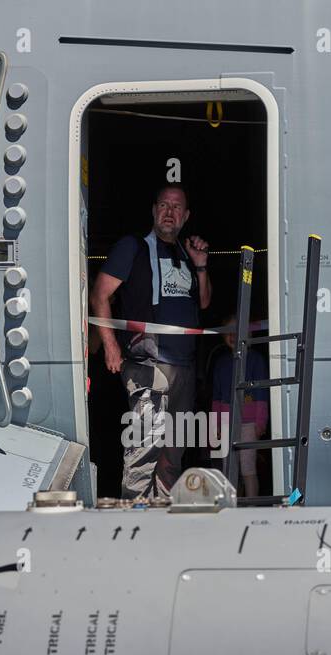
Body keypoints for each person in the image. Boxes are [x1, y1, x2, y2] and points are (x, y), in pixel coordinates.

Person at [90, 185, 211, 498]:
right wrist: (111, 345)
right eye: (164, 205)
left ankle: (162, 520)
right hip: (148, 364)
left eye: (176, 207)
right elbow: (100, 294)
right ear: (154, 209)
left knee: (173, 453)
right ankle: (134, 518)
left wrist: (200, 265)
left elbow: (205, 302)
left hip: (183, 369)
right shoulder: (134, 247)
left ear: (185, 216)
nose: (169, 212)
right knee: (145, 446)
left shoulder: (186, 254)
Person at [210, 330, 268, 498]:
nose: (233, 335)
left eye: (238, 330)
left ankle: (251, 506)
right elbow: (217, 396)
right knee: (229, 468)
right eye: (228, 331)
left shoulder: (256, 360)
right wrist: (216, 425)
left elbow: (262, 393)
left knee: (248, 469)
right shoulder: (221, 363)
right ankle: (232, 507)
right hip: (227, 423)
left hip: (249, 424)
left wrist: (260, 422)